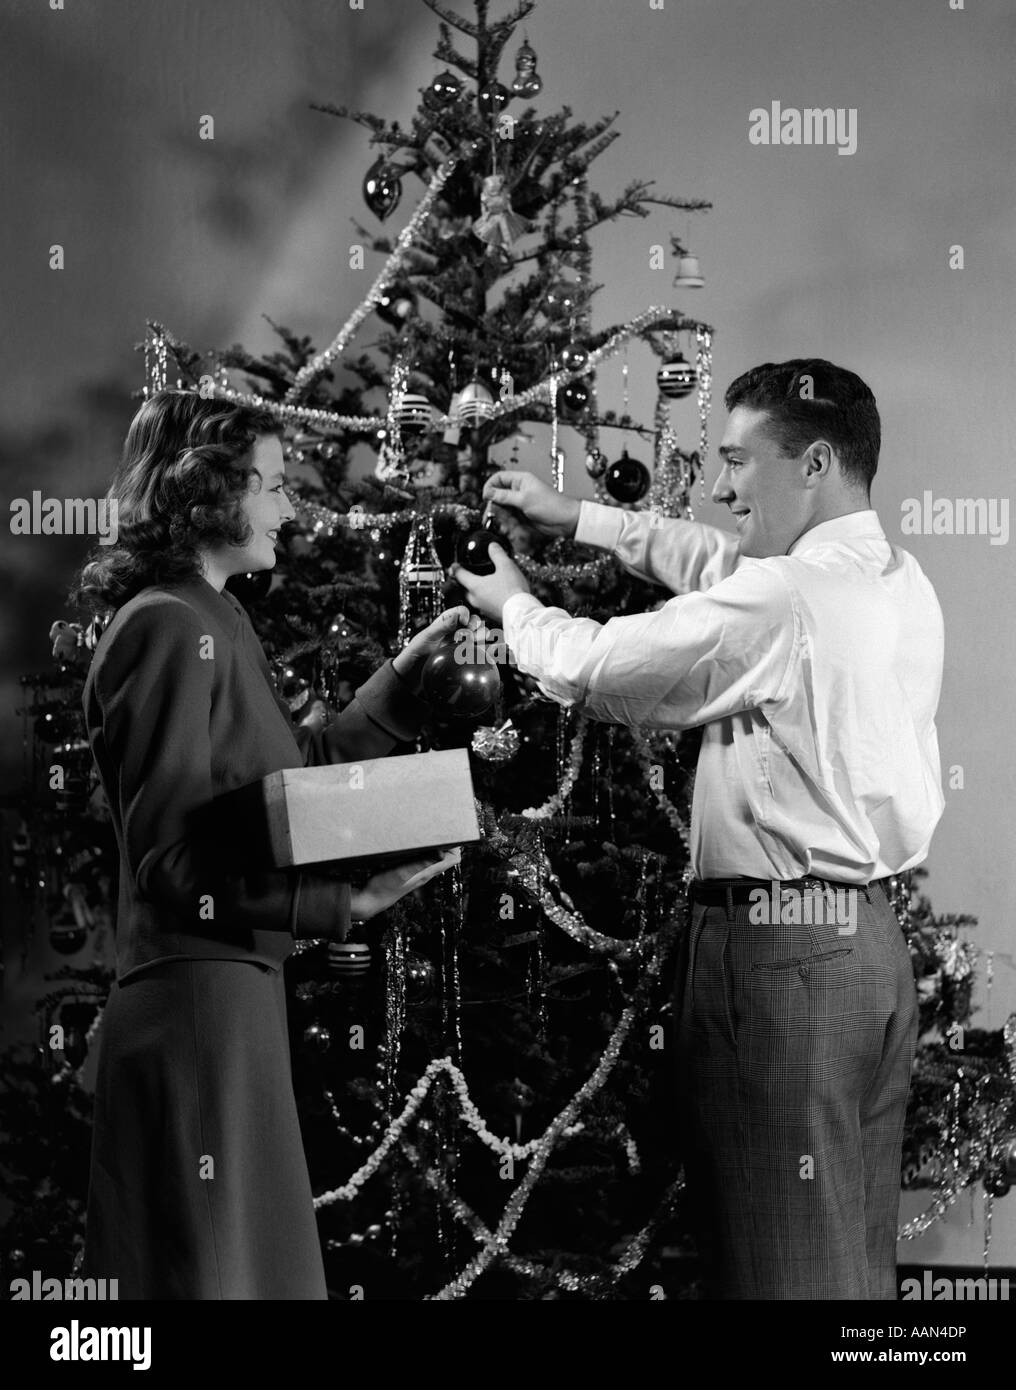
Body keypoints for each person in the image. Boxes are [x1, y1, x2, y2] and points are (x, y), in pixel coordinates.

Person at [450, 358, 945, 1300]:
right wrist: (584, 520)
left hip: (780, 961)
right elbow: (728, 570)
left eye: (736, 462)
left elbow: (599, 667)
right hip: (869, 956)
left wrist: (513, 603)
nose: (720, 487)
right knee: (844, 1264)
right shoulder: (892, 578)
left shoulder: (786, 599)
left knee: (785, 1275)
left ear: (815, 464)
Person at [71, 389, 470, 1299]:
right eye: (276, 484)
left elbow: (286, 787)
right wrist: (342, 905)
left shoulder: (217, 619)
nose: (293, 507)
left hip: (231, 997)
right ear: (209, 489)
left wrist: (401, 685)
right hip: (195, 1011)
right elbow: (170, 863)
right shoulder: (167, 625)